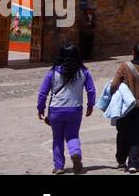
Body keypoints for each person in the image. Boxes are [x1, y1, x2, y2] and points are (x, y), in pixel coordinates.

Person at [36, 44, 95, 174]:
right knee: (73, 135)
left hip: (56, 110)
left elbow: (43, 93)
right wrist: (90, 105)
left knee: (57, 138)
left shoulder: (52, 73)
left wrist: (40, 108)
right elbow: (91, 90)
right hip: (75, 109)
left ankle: (59, 166)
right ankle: (75, 152)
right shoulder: (84, 72)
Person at [111, 42, 139, 173]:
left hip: (126, 106)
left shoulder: (124, 67)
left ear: (133, 52)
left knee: (123, 132)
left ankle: (121, 160)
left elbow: (114, 85)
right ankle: (134, 163)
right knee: (138, 134)